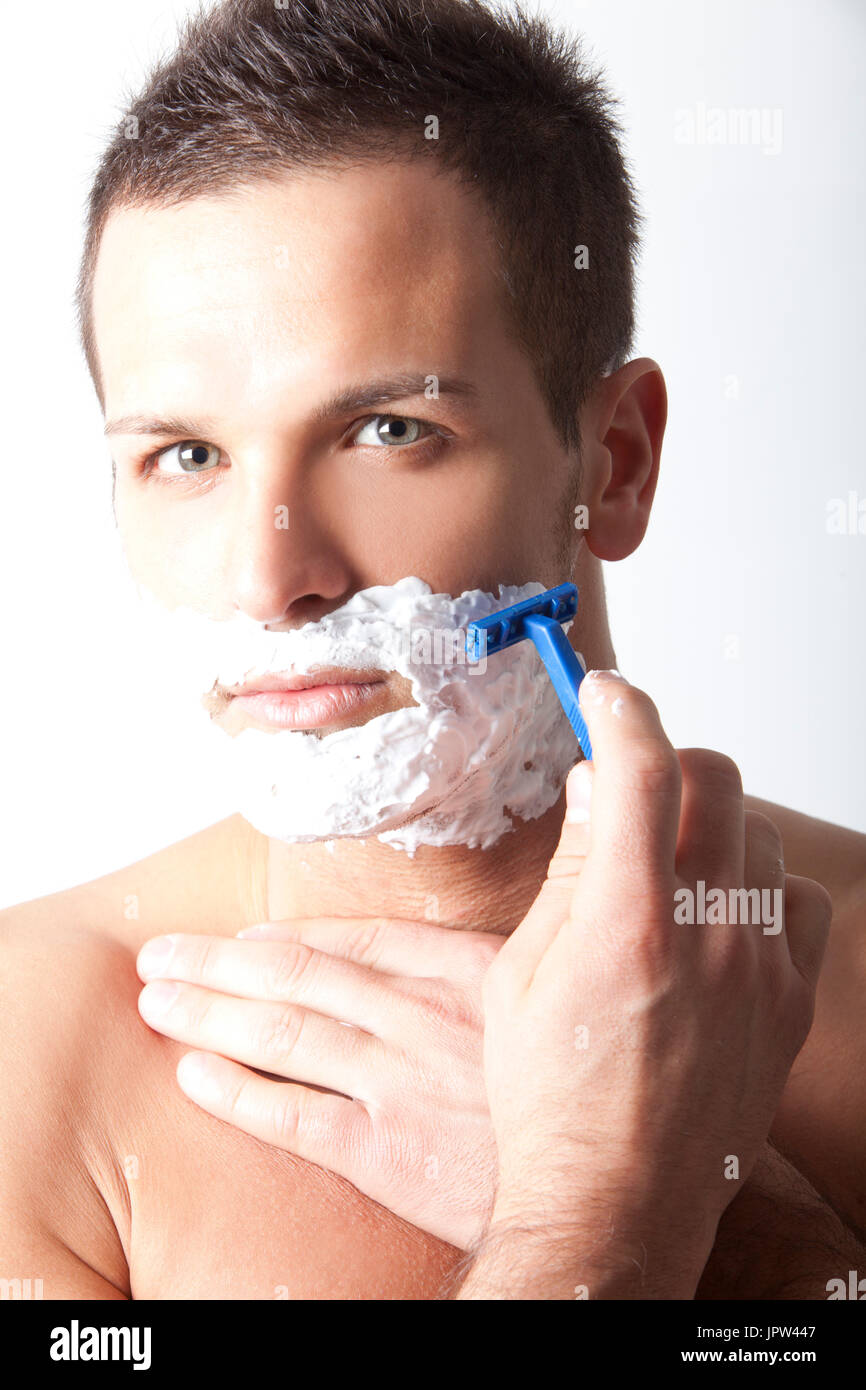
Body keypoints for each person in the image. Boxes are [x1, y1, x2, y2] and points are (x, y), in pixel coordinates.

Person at [1, 0, 864, 1300]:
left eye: (388, 430)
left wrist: (738, 1229)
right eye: (186, 456)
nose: (267, 577)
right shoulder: (30, 1057)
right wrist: (594, 1215)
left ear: (613, 464)